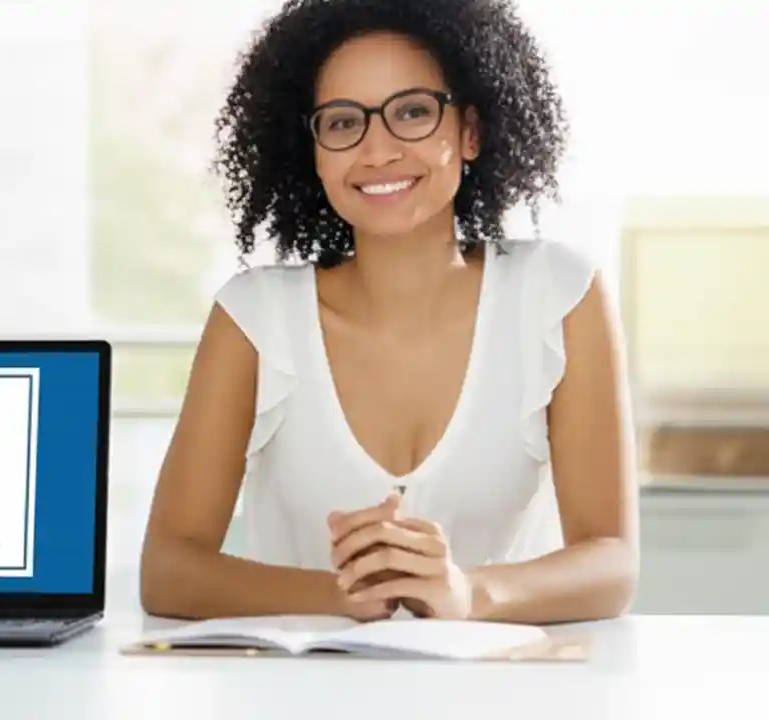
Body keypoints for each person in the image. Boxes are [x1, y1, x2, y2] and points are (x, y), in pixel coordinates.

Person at [138, 0, 638, 624]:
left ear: (470, 132)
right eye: (343, 122)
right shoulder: (253, 318)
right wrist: (339, 596)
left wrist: (467, 593)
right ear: (313, 150)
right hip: (303, 679)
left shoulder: (561, 296)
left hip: (497, 678)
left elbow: (611, 561)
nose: (377, 151)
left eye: (412, 112)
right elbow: (168, 570)